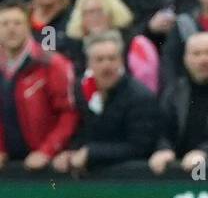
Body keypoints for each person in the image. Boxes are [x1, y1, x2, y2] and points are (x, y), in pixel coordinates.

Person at [56, 29, 161, 174]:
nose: (106, 66)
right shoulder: (80, 90)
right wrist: (71, 152)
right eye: (99, 59)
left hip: (128, 179)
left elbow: (140, 147)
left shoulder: (140, 96)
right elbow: (82, 132)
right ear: (89, 63)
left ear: (121, 60)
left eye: (112, 59)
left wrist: (91, 153)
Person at [0, 0, 78, 171]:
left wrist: (47, 151)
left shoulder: (52, 64)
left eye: (17, 23)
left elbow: (69, 114)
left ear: (28, 26)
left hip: (46, 166)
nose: (11, 29)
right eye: (5, 24)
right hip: (9, 166)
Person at [149, 31, 208, 176]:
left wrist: (205, 151)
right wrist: (163, 149)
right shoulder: (174, 92)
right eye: (196, 54)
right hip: (176, 172)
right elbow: (161, 129)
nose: (203, 60)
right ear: (186, 59)